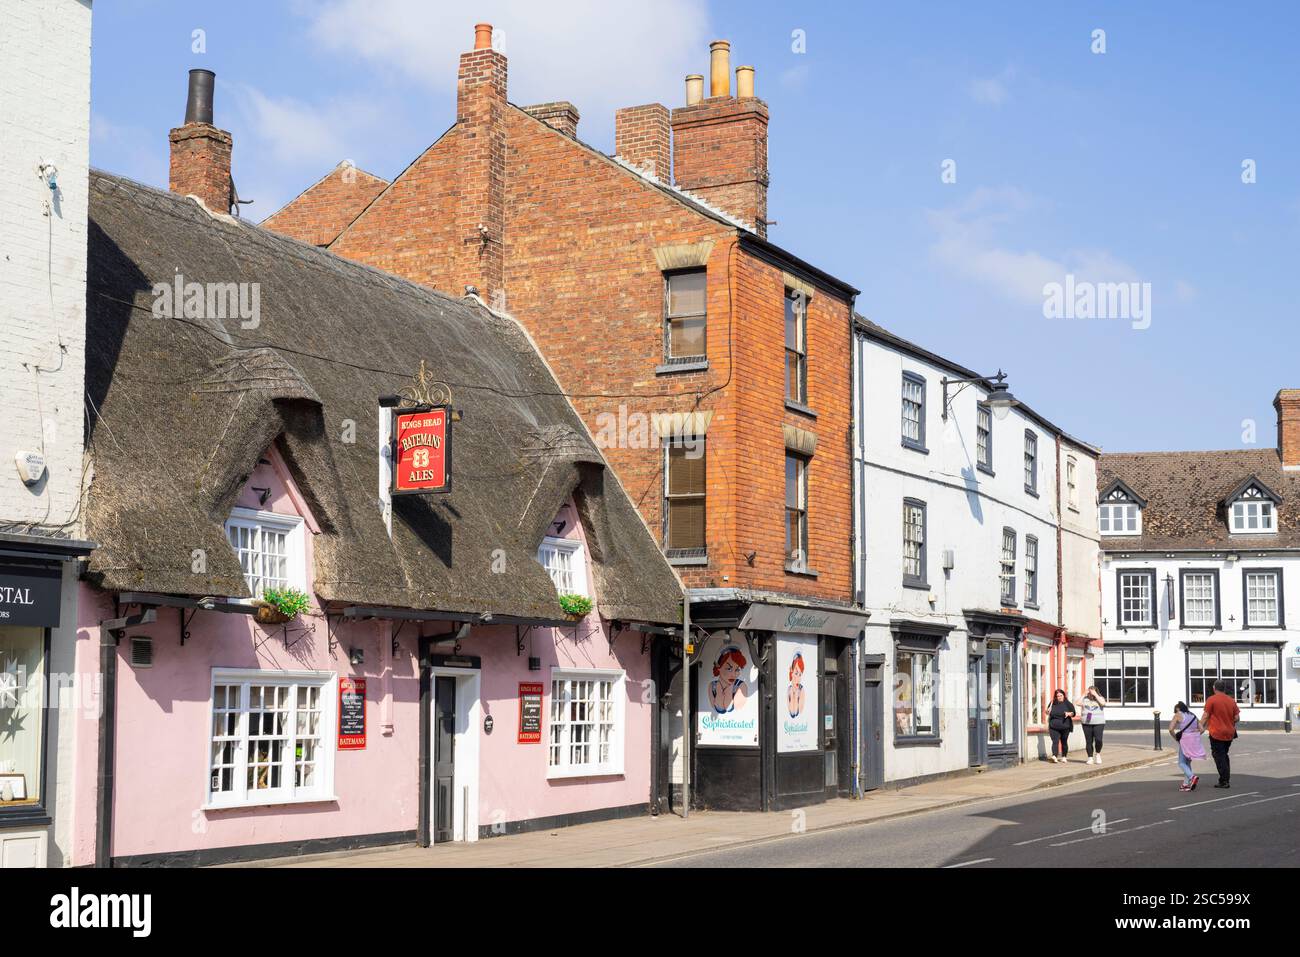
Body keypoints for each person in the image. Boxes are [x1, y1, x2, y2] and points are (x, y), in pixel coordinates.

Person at [1201, 678, 1241, 788]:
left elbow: (1205, 716)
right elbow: (1237, 718)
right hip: (1229, 733)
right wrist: (1228, 720)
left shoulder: (1211, 699)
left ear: (1214, 688)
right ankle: (1225, 778)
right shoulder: (1231, 700)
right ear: (1224, 688)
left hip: (1216, 732)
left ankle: (1224, 780)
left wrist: (1199, 727)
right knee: (1224, 755)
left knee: (1219, 756)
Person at [1169, 701, 1205, 791]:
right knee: (1187, 762)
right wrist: (1194, 735)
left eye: (1175, 710)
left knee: (1181, 762)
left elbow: (1170, 729)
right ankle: (1186, 784)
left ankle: (1192, 777)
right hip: (1194, 740)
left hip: (1185, 740)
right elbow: (1202, 729)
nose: (1175, 712)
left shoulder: (1178, 714)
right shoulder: (1193, 715)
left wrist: (1176, 738)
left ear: (1178, 709)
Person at [708, 646, 750, 715]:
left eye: (737, 670)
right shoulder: (712, 686)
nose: (734, 674)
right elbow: (718, 708)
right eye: (729, 669)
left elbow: (737, 710)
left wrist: (730, 688)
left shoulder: (741, 686)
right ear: (719, 668)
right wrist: (719, 692)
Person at [1079, 685, 1107, 765]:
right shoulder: (1085, 699)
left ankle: (1098, 754)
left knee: (1098, 740)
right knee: (1089, 741)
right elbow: (1077, 703)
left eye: (1092, 692)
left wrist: (1095, 695)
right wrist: (1084, 694)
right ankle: (1090, 757)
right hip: (1086, 723)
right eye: (1089, 692)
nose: (1090, 694)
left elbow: (1103, 703)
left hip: (1099, 723)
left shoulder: (1100, 698)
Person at [1047, 689, 1076, 763]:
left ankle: (1064, 756)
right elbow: (1047, 712)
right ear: (1055, 697)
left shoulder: (1067, 703)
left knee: (1064, 741)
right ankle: (1054, 756)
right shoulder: (1052, 703)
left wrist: (1069, 714)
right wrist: (1047, 711)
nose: (1059, 697)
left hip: (1065, 726)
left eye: (1061, 695)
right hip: (1053, 726)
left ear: (1063, 695)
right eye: (1057, 696)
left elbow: (1073, 713)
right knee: (1055, 741)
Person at [786, 653, 806, 717]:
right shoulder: (789, 690)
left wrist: (796, 695)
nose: (798, 678)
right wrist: (792, 695)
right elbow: (791, 713)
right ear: (791, 671)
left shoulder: (801, 690)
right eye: (796, 673)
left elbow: (798, 712)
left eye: (800, 675)